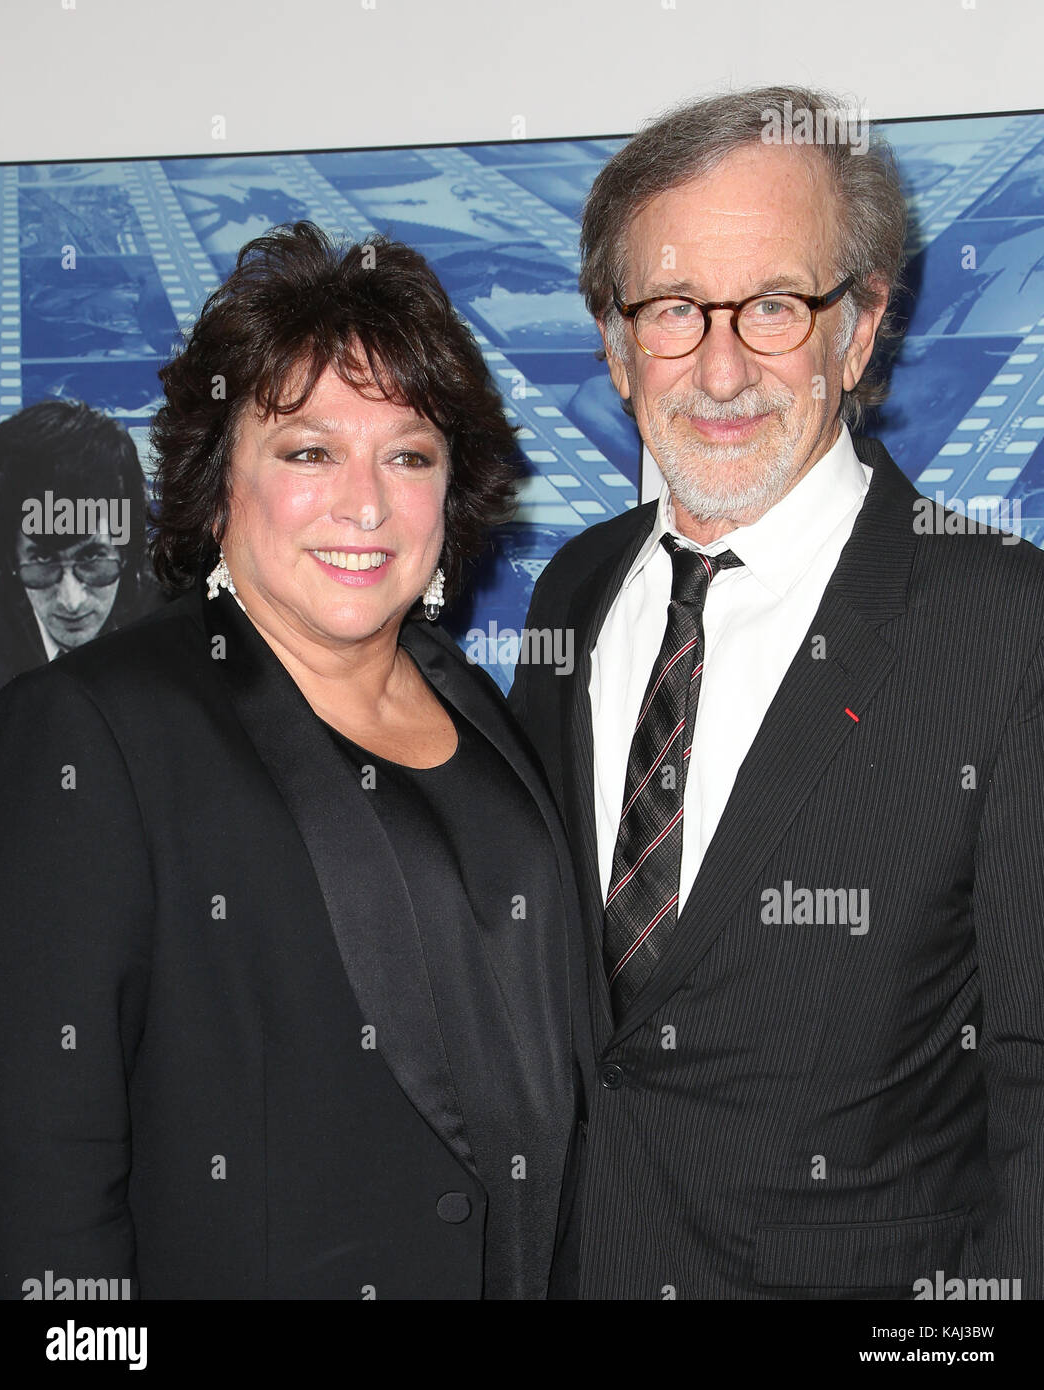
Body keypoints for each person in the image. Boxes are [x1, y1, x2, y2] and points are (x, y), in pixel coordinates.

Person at [509, 85, 1044, 1300]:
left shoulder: (1009, 627)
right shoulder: (573, 590)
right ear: (612, 340)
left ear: (860, 330)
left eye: (771, 306)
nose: (720, 367)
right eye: (673, 309)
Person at [0, 222, 591, 1301]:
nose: (365, 503)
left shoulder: (480, 702)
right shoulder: (98, 727)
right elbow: (41, 1167)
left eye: (407, 453)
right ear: (222, 483)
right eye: (309, 451)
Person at [0, 399, 164, 691]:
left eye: (93, 557)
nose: (71, 601)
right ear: (10, 558)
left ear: (126, 551)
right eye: (43, 561)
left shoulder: (173, 617)